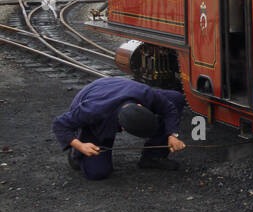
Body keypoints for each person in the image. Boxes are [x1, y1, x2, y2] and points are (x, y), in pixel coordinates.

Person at [52, 77, 188, 181]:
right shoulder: (93, 111)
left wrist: (172, 134)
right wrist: (80, 145)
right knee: (97, 172)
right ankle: (76, 154)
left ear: (141, 106)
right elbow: (59, 124)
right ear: (122, 128)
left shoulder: (145, 93)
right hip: (94, 100)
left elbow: (169, 108)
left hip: (121, 89)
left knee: (175, 98)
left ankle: (153, 157)